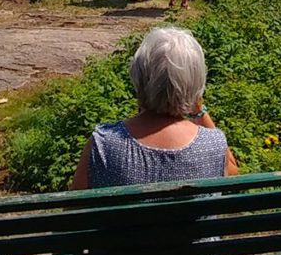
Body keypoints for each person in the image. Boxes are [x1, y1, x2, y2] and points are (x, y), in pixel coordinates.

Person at [72, 26, 238, 189]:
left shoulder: (103, 144)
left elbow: (75, 211)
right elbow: (233, 173)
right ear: (197, 83)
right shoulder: (213, 144)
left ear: (138, 77)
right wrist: (199, 109)